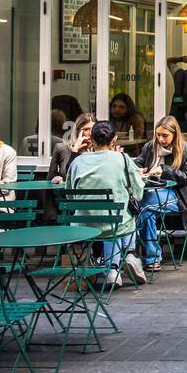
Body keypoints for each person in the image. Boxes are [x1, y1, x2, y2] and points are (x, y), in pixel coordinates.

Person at [67, 120, 146, 287]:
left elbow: (70, 196)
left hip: (83, 226)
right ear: (114, 140)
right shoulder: (123, 159)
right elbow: (138, 193)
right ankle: (124, 259)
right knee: (124, 217)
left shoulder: (77, 162)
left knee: (113, 217)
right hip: (115, 226)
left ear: (92, 141)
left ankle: (114, 265)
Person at [135, 115, 187, 272]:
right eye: (158, 135)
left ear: (175, 134)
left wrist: (164, 170)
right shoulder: (150, 147)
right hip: (149, 193)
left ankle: (143, 256)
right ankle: (148, 258)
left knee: (142, 207)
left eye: (165, 135)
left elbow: (185, 178)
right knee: (144, 211)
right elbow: (137, 163)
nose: (160, 139)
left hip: (177, 197)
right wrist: (138, 170)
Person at [50, 112, 95, 183]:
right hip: (68, 192)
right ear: (77, 131)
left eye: (93, 129)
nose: (90, 133)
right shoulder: (62, 148)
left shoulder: (98, 150)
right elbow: (50, 179)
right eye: (86, 129)